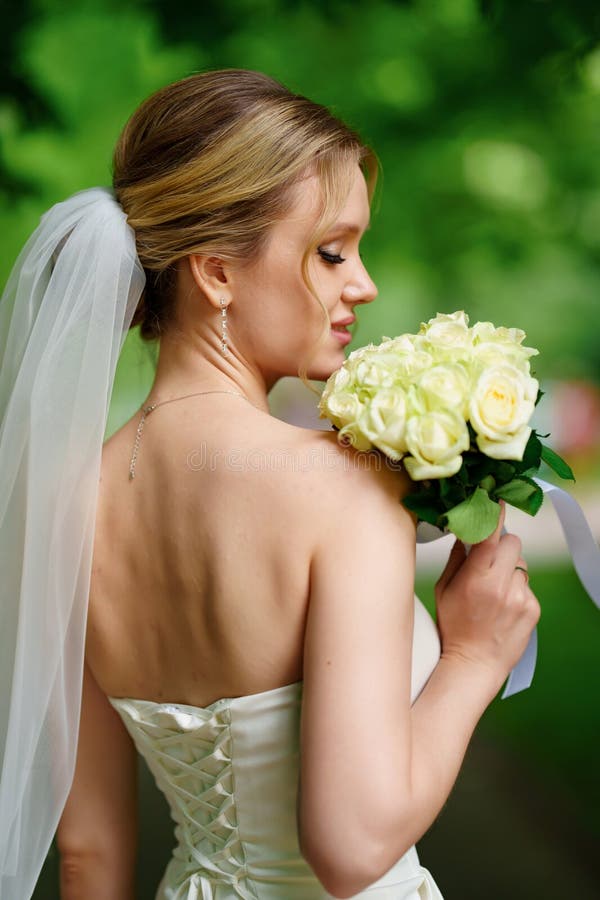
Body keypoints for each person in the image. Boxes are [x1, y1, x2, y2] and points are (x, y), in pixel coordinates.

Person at [0, 69, 540, 900]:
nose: (361, 283)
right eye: (330, 252)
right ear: (215, 273)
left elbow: (89, 856)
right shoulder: (345, 486)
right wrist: (472, 657)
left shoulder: (65, 506)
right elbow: (351, 846)